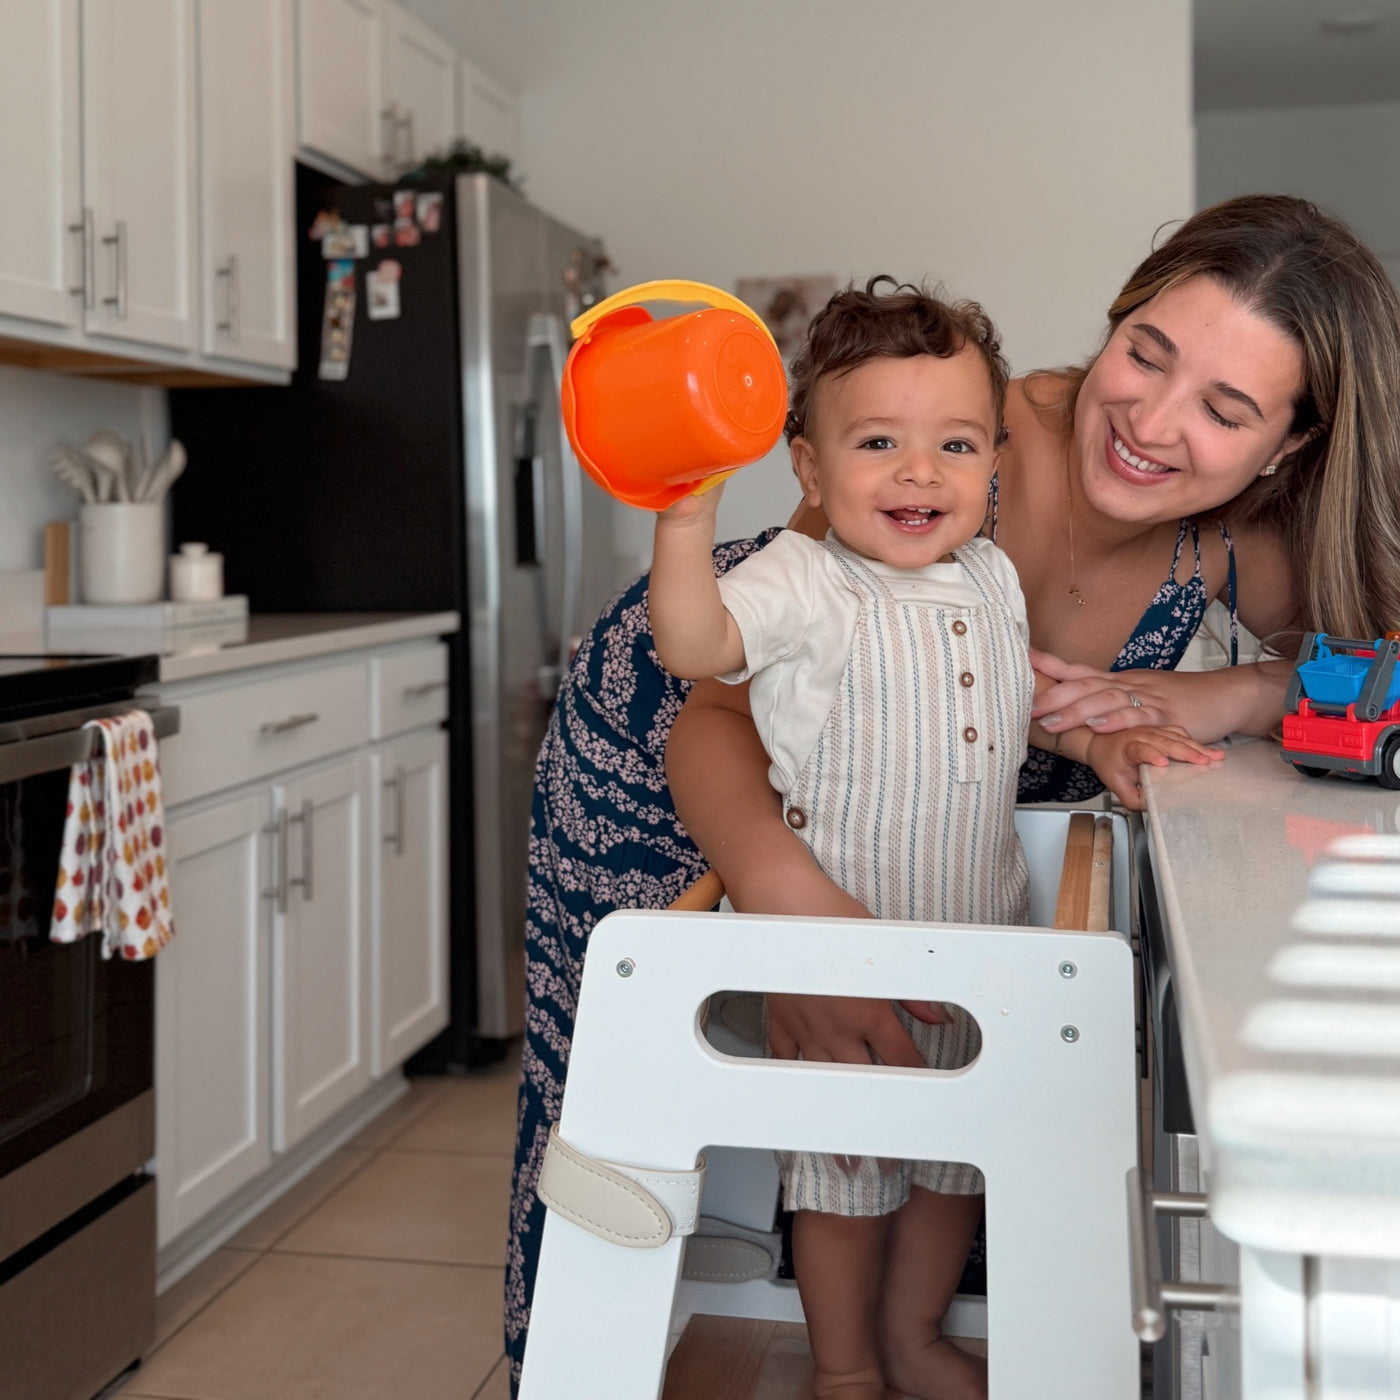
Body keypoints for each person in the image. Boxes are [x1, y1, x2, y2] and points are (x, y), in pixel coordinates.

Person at [505, 195, 1400, 1393]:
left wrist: (1228, 692)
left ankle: (891, 1343)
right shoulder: (973, 431)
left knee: (922, 1132)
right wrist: (793, 924)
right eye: (1145, 352)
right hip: (678, 743)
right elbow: (721, 707)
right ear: (1115, 316)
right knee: (614, 1120)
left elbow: (1362, 665)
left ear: (1286, 447)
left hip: (903, 845)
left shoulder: (1255, 549)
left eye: (1225, 408)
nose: (1147, 418)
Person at [647, 281, 1217, 1400]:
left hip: (979, 953)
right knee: (846, 1182)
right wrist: (681, 520)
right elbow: (693, 644)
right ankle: (846, 1364)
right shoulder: (803, 578)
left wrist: (1100, 739)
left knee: (958, 1166)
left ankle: (911, 1334)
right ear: (809, 472)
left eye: (954, 443)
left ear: (991, 464)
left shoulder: (990, 576)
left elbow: (1008, 704)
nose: (920, 471)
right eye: (877, 443)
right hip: (840, 960)